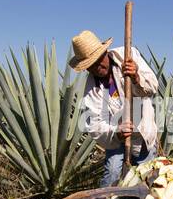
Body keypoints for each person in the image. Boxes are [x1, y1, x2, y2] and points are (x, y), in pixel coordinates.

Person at [68, 29, 159, 186]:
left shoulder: (128, 56)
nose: (97, 67)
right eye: (90, 65)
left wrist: (137, 77)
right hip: (116, 139)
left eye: (98, 60)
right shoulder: (91, 90)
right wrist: (116, 133)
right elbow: (95, 124)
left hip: (143, 133)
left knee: (148, 180)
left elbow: (152, 88)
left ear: (105, 52)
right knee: (111, 176)